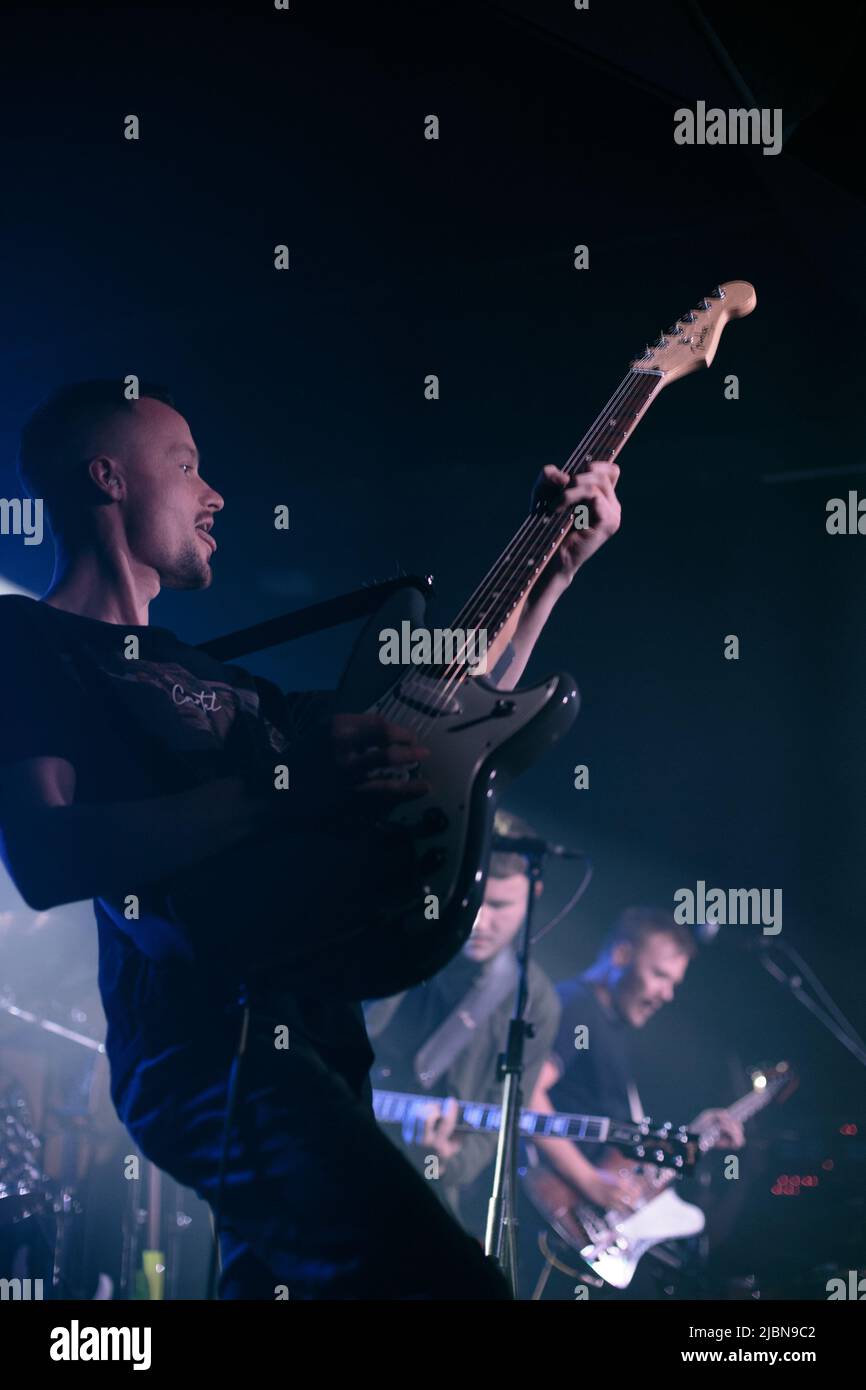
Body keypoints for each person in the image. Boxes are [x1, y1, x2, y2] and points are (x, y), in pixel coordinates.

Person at [0, 379, 621, 1299]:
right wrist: (277, 790)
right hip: (210, 1052)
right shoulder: (27, 638)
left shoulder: (214, 677)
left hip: (321, 1041)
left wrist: (550, 569)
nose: (214, 495)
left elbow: (434, 721)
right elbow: (47, 856)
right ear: (107, 478)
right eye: (186, 466)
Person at [526, 906, 745, 1297]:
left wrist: (691, 1136)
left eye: (675, 983)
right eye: (660, 975)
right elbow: (528, 1098)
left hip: (597, 1219)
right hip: (568, 1211)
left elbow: (612, 1139)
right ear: (622, 956)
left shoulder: (607, 1023)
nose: (667, 994)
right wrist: (589, 1180)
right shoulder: (579, 1007)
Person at [366, 810, 560, 1238]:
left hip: (414, 1189)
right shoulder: (396, 937)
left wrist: (445, 1159)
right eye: (471, 898)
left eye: (500, 905)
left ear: (534, 893)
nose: (478, 921)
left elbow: (498, 1119)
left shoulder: (533, 1000)